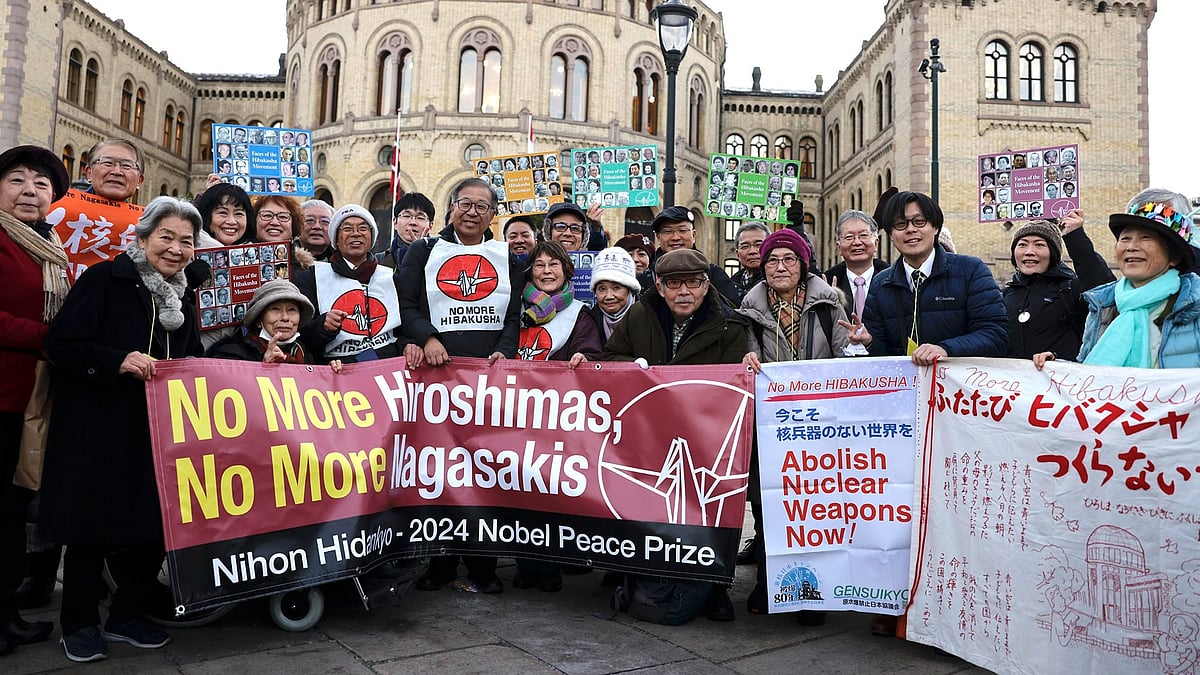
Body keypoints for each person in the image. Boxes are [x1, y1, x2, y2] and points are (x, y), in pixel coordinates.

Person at [41, 197, 204, 662]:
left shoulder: (183, 295)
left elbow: (191, 359)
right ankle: (78, 623)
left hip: (156, 429)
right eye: (166, 238)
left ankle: (127, 616)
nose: (175, 249)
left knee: (154, 525)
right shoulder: (105, 279)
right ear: (144, 238)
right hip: (98, 424)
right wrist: (118, 360)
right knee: (90, 527)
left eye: (185, 241)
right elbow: (63, 344)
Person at [602, 248, 747, 622]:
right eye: (674, 283)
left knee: (711, 512)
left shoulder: (730, 325)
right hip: (650, 433)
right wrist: (634, 367)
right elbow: (611, 358)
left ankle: (714, 586)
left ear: (706, 285)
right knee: (647, 509)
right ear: (660, 287)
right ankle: (644, 577)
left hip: (704, 436)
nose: (685, 291)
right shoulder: (639, 314)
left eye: (694, 282)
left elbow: (734, 385)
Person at [397, 178, 523, 595]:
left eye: (482, 207)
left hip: (488, 383)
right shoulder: (424, 250)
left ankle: (483, 564)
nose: (472, 212)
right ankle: (441, 562)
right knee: (441, 470)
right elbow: (405, 304)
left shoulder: (506, 256)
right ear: (451, 207)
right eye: (465, 204)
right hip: (437, 380)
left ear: (493, 215)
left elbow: (514, 316)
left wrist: (505, 351)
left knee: (486, 471)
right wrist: (428, 337)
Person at [738, 228, 849, 624]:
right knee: (768, 504)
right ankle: (769, 582)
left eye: (788, 260)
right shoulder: (748, 309)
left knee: (814, 511)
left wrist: (859, 347)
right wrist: (746, 361)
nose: (780, 267)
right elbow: (745, 353)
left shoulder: (829, 303)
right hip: (769, 424)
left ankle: (812, 592)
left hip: (818, 425)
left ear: (803, 265)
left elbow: (845, 358)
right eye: (772, 260)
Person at [0, 146, 71, 656]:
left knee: (11, 512)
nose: (30, 191)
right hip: (3, 395)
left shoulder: (47, 248)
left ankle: (6, 614)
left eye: (41, 184)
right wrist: (46, 336)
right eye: (17, 181)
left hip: (33, 401)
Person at [1037, 189, 1200, 370]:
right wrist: (1057, 368)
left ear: (1174, 256)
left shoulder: (1193, 306)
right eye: (1125, 238)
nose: (1131, 247)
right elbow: (1090, 372)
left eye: (1146, 238)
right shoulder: (1103, 305)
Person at [852, 190, 1008, 366]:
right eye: (900, 224)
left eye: (919, 221)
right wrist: (869, 342)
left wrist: (945, 349)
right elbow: (882, 355)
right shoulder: (881, 284)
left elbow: (996, 335)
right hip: (907, 389)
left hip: (958, 386)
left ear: (935, 227)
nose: (911, 229)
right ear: (891, 235)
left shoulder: (971, 271)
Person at [293, 204, 418, 364]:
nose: (355, 234)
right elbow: (302, 334)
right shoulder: (312, 277)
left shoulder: (391, 276)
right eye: (347, 229)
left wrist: (409, 343)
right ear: (336, 239)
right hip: (337, 372)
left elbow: (406, 323)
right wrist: (322, 326)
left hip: (388, 369)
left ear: (371, 237)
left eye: (363, 228)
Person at [1004, 212, 1114, 360]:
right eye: (1022, 244)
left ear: (1053, 254)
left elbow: (1104, 288)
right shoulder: (1003, 296)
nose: (1029, 252)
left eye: (1039, 245)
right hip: (1009, 382)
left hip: (1062, 381)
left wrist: (1075, 236)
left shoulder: (1071, 290)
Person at [206, 279, 343, 372]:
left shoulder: (303, 352)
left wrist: (328, 375)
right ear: (259, 320)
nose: (285, 317)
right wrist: (263, 367)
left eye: (292, 310)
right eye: (275, 310)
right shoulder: (230, 354)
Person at [651, 206, 741, 306]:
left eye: (682, 230)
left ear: (693, 235)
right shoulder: (648, 276)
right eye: (668, 232)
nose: (675, 237)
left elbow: (733, 311)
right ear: (658, 237)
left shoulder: (713, 275)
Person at [825, 208, 890, 325]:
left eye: (863, 235)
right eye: (849, 237)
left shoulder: (893, 282)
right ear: (838, 247)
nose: (857, 242)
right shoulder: (826, 284)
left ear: (876, 243)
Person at [586, 247, 641, 342]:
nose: (609, 296)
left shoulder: (649, 318)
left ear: (630, 290)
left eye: (616, 288)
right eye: (602, 289)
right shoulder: (589, 321)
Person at [378, 193, 434, 268]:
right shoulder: (379, 262)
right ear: (395, 222)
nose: (413, 222)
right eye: (407, 216)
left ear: (430, 225)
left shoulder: (439, 259)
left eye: (420, 218)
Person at [193, 182, 254, 248]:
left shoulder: (257, 254)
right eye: (223, 213)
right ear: (206, 216)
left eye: (238, 214)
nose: (232, 221)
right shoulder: (188, 253)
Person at [730, 222, 769, 298]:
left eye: (758, 245)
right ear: (738, 254)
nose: (752, 251)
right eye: (745, 246)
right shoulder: (730, 287)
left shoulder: (778, 281)